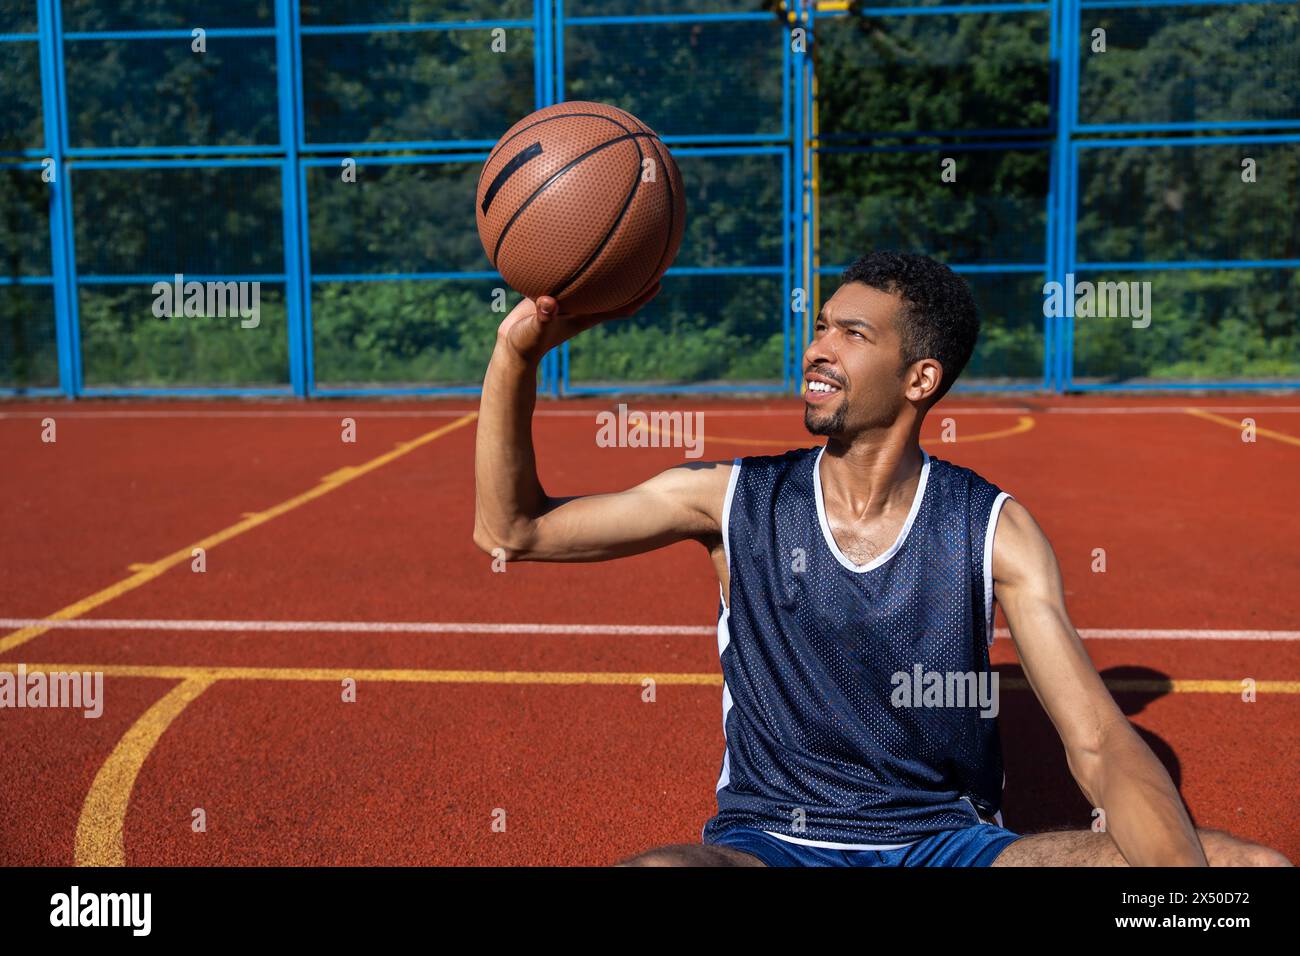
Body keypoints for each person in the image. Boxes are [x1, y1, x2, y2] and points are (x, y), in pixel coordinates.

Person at [473, 250, 1291, 867]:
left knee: (1249, 874)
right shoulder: (728, 499)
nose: (819, 347)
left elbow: (1101, 744)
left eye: (852, 334)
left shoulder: (991, 529)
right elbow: (515, 530)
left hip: (945, 848)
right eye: (821, 324)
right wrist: (518, 355)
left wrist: (1183, 901)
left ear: (919, 377)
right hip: (771, 845)